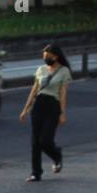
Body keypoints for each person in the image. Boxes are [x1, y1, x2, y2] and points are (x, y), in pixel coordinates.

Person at [19, 43, 72, 182]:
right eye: (44, 55)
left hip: (53, 106)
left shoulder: (64, 71)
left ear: (56, 56)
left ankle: (56, 155)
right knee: (35, 141)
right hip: (38, 105)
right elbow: (34, 90)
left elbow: (63, 94)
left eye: (48, 56)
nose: (45, 58)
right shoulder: (41, 70)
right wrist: (25, 109)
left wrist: (62, 113)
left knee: (45, 140)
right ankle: (36, 173)